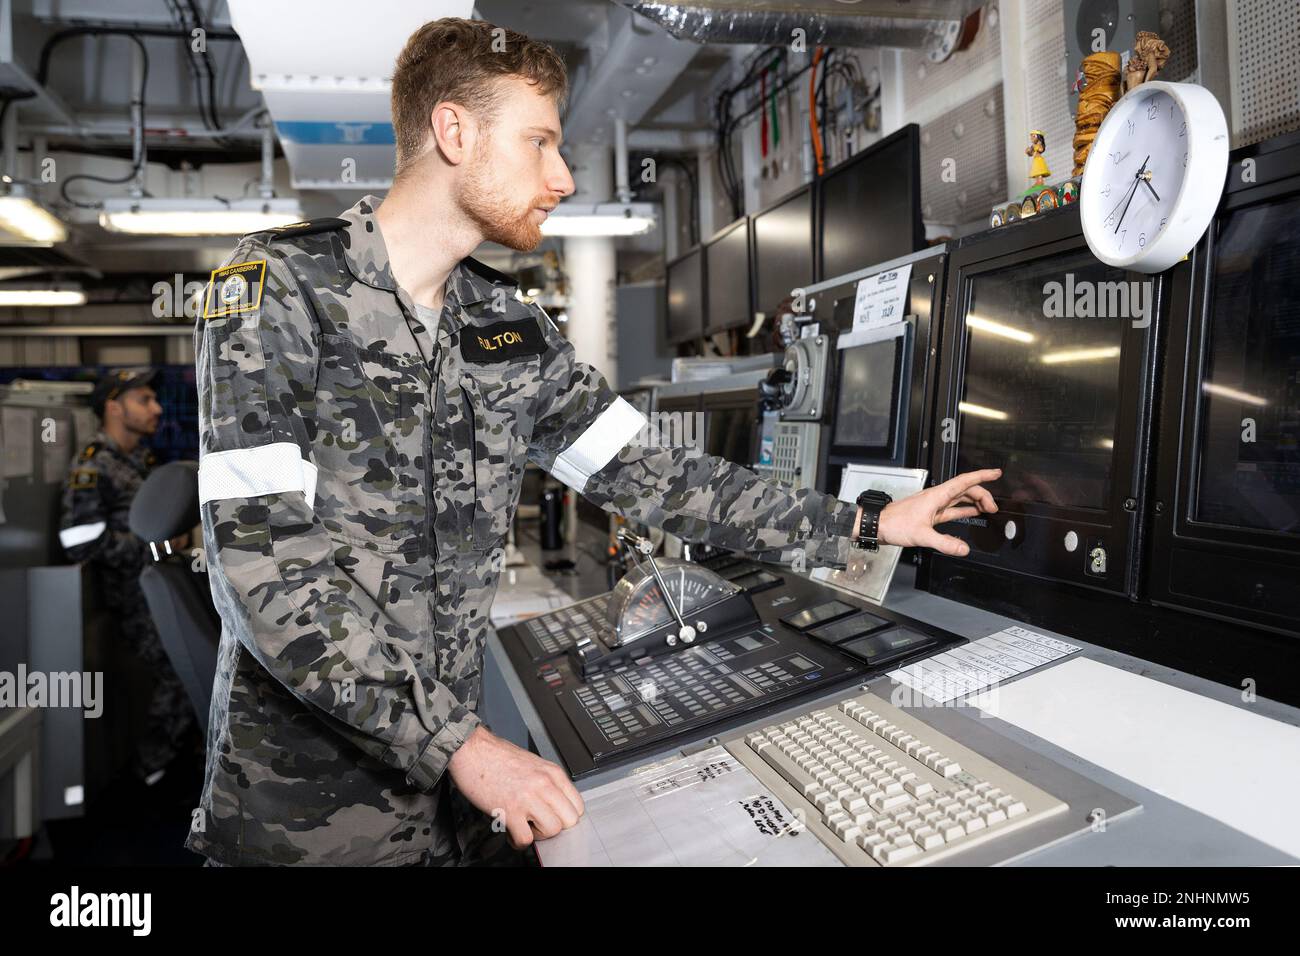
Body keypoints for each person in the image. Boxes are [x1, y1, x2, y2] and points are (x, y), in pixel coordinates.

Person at [188, 17, 1001, 867]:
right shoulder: (277, 291)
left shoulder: (511, 330)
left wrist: (864, 524)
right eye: (538, 142)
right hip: (307, 820)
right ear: (454, 131)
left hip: (452, 814)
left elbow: (653, 476)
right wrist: (460, 743)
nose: (564, 178)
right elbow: (261, 561)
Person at [59, 368, 195, 785]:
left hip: (158, 584)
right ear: (113, 407)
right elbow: (78, 540)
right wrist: (159, 547)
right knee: (180, 673)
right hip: (129, 596)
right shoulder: (93, 464)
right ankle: (151, 772)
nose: (155, 408)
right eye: (144, 400)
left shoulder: (139, 458)